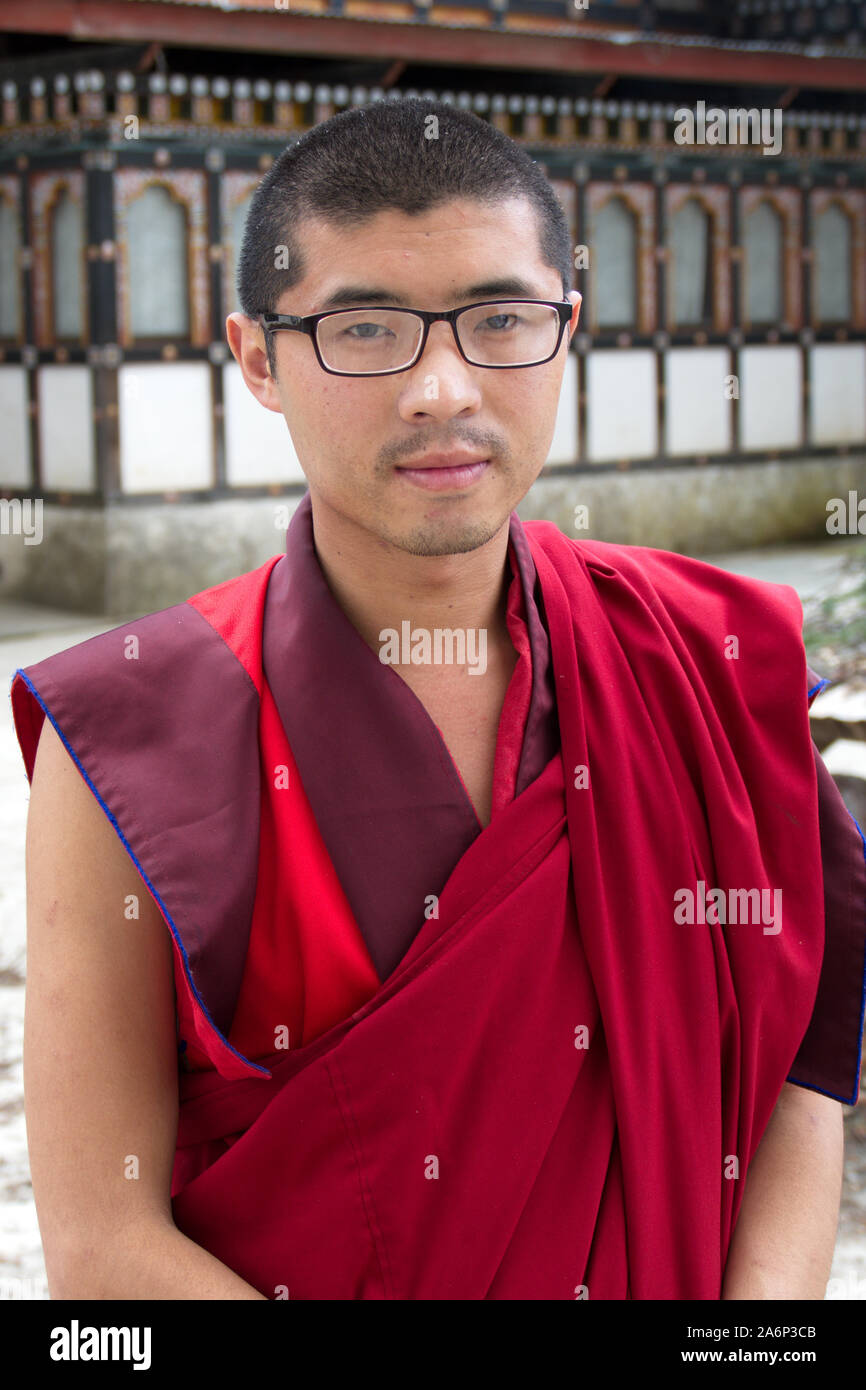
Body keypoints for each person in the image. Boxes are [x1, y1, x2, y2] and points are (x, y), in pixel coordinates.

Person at [14, 98, 864, 1301]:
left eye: (499, 318)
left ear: (565, 331)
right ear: (258, 357)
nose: (440, 388)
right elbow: (102, 1252)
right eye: (364, 328)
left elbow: (791, 1076)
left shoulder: (704, 657)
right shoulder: (130, 731)